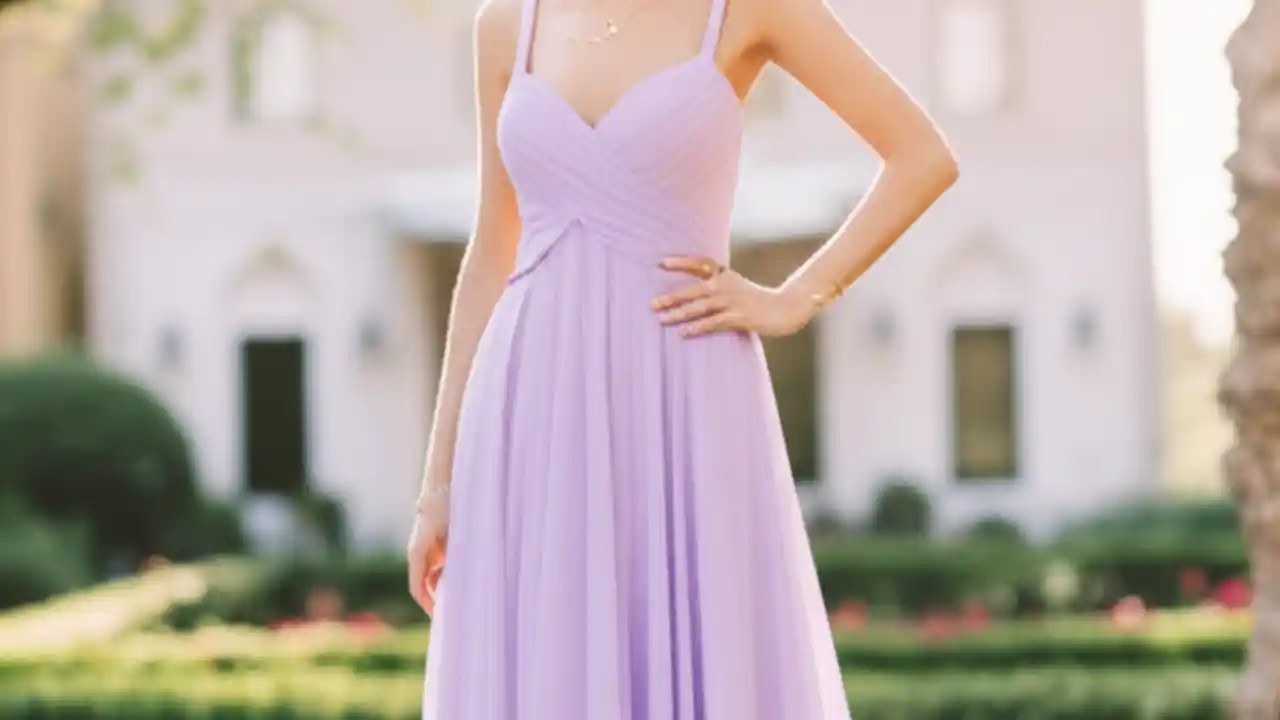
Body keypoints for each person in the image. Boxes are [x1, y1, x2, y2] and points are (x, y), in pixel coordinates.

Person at [409, 0, 958, 714]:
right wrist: (438, 482)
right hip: (534, 411)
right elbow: (491, 252)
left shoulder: (748, 8)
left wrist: (796, 298)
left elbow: (921, 157)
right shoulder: (505, 25)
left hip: (686, 395)